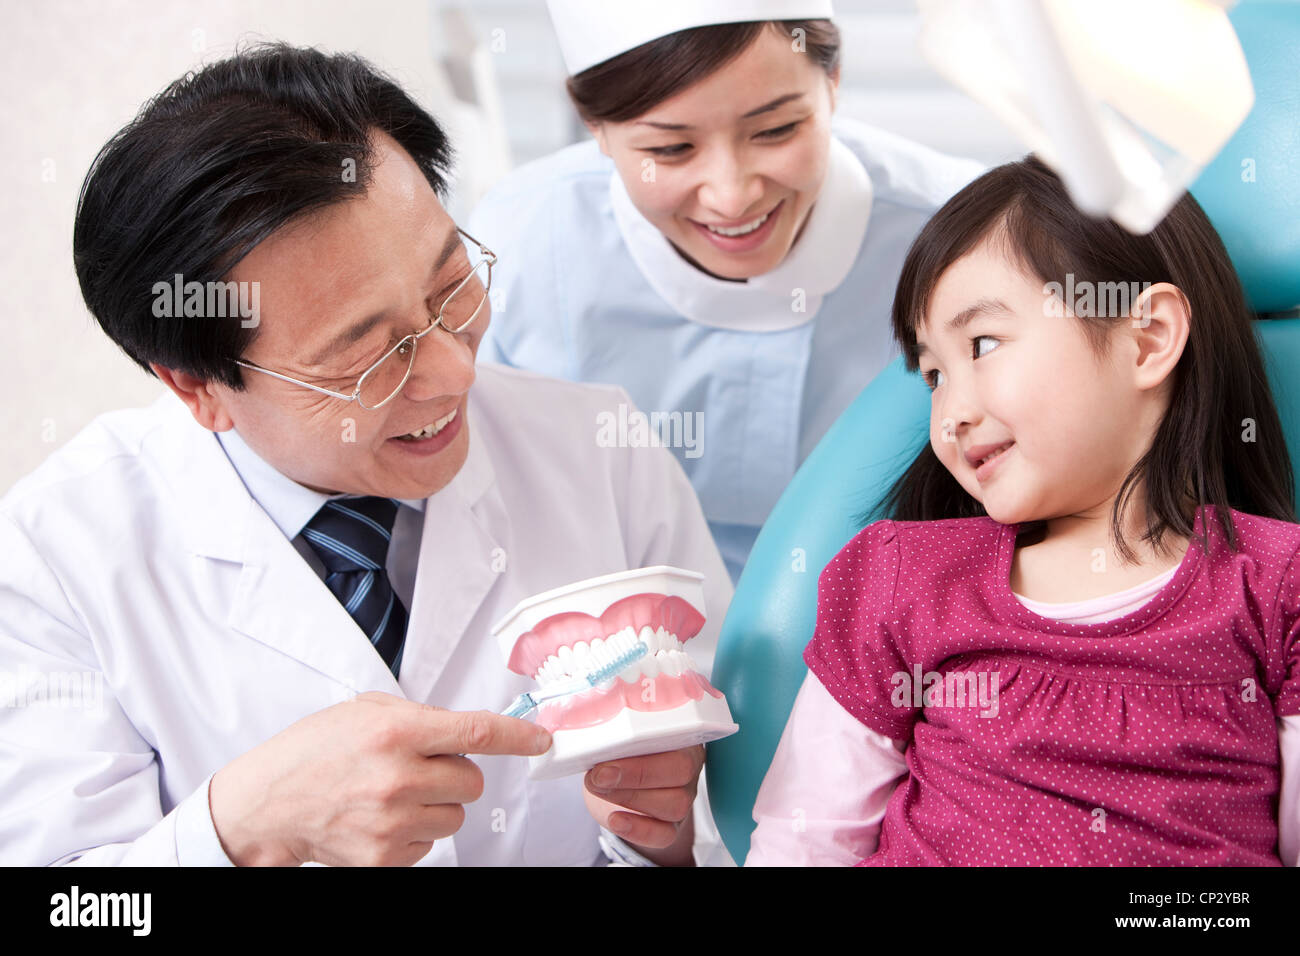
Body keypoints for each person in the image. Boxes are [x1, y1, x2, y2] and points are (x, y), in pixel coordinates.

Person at [0, 43, 734, 867]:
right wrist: (239, 827)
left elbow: (749, 809)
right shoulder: (55, 557)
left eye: (451, 286)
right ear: (197, 388)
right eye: (366, 355)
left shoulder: (602, 453)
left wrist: (665, 838)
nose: (456, 373)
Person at [746, 156, 1300, 865]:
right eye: (934, 375)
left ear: (1147, 337)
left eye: (982, 345)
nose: (950, 415)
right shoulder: (900, 582)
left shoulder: (1275, 593)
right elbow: (806, 838)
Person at [468, 0, 984, 583]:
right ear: (598, 130)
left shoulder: (967, 235)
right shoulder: (518, 245)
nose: (732, 197)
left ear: (832, 82)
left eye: (776, 130)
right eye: (670, 149)